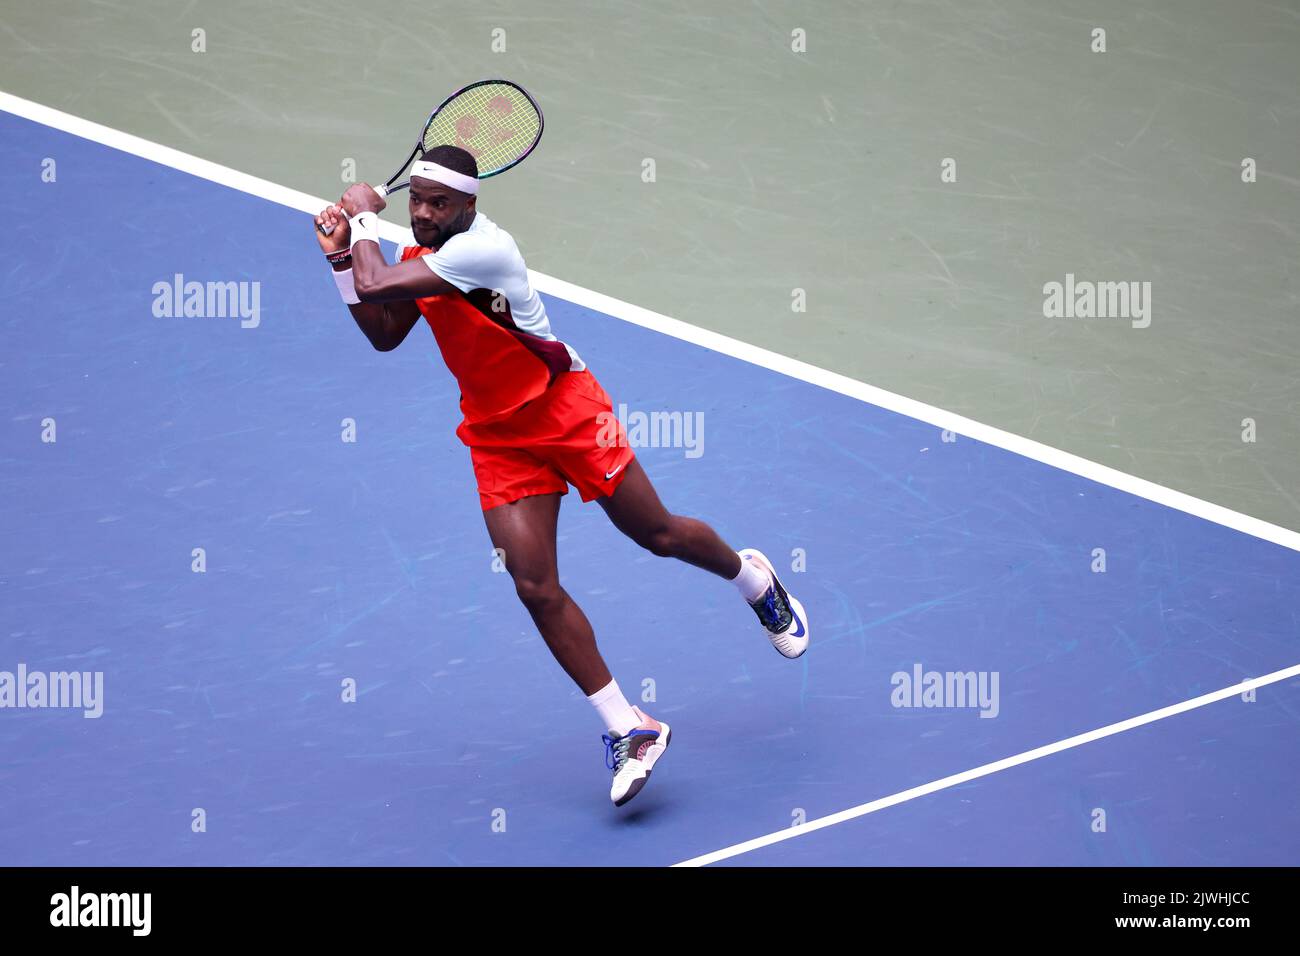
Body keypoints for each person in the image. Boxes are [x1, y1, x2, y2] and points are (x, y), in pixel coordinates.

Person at [314, 145, 809, 806]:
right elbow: (382, 331)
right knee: (533, 585)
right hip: (497, 436)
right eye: (417, 200)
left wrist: (364, 220)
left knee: (656, 533)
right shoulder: (419, 262)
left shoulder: (483, 251)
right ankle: (630, 727)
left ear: (470, 206)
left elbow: (380, 287)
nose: (425, 212)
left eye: (440, 203)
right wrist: (342, 258)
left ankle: (753, 579)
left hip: (568, 409)